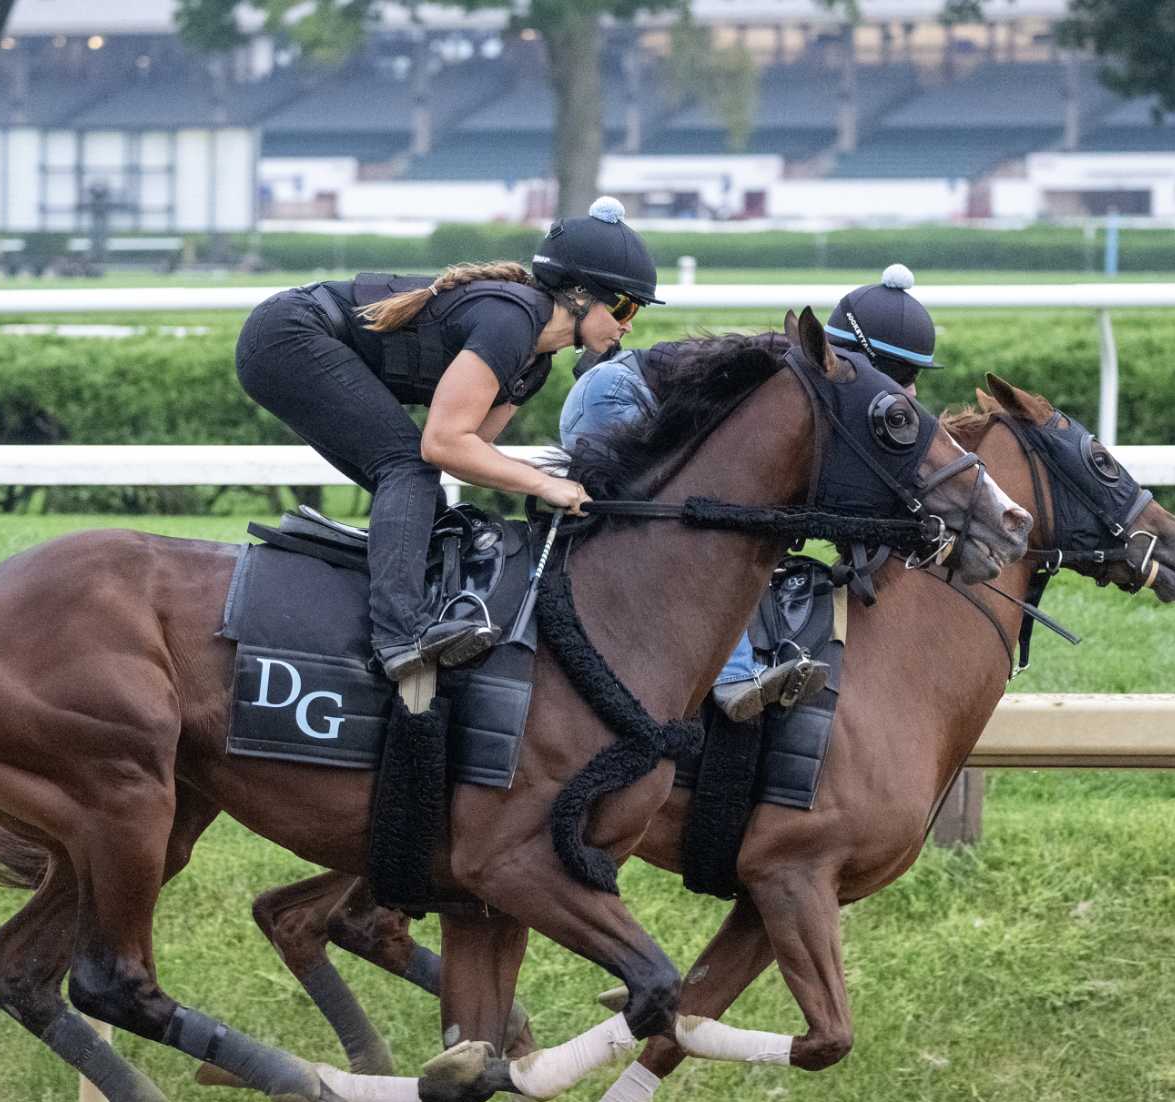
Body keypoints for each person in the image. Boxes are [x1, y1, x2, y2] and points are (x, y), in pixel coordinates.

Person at [236, 196, 659, 682]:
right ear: (580, 294)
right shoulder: (510, 320)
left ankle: (421, 612)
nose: (629, 322)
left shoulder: (533, 366)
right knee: (408, 470)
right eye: (624, 304)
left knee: (427, 497)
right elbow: (440, 444)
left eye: (638, 310)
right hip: (285, 334)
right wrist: (543, 484)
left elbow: (468, 453)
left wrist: (555, 483)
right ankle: (399, 636)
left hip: (290, 339)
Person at [558, 263, 940, 723]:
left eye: (914, 374)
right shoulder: (795, 377)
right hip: (615, 395)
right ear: (855, 360)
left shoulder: (814, 380)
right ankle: (734, 674)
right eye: (900, 374)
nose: (911, 389)